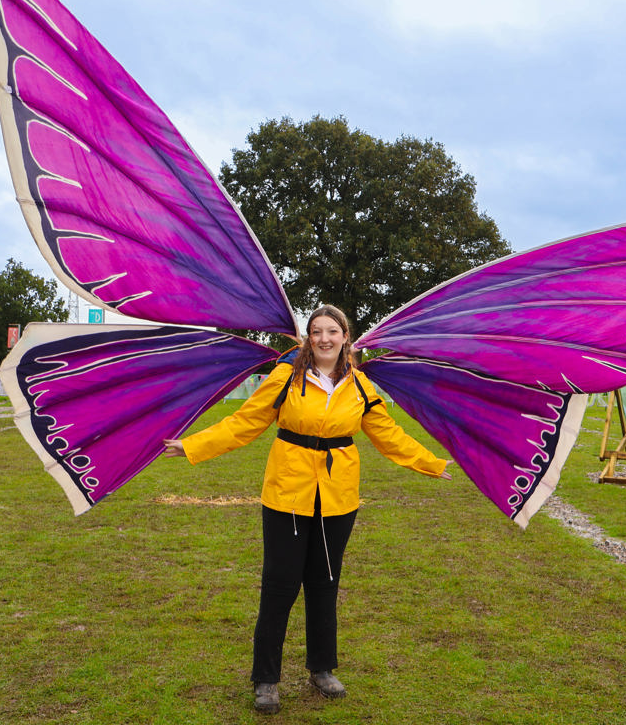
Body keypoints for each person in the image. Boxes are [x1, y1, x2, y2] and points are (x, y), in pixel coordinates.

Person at [162, 305, 451, 714]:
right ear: (307, 338)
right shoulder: (286, 378)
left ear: (345, 337)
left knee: (324, 584)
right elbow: (244, 423)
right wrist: (192, 446)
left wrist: (430, 463)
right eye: (317, 332)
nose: (324, 339)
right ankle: (266, 679)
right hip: (288, 494)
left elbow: (389, 435)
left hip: (337, 497)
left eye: (332, 331)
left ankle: (322, 668)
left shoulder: (360, 386)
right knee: (279, 587)